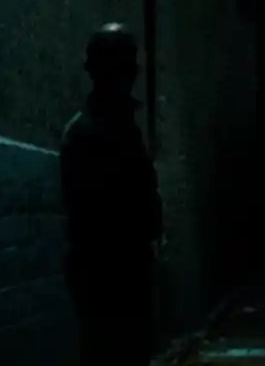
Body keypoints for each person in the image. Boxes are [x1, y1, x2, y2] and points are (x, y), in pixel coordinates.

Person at [60, 23, 164, 366]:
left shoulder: (118, 124)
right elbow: (88, 211)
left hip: (124, 268)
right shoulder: (90, 131)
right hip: (107, 272)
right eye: (122, 67)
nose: (129, 75)